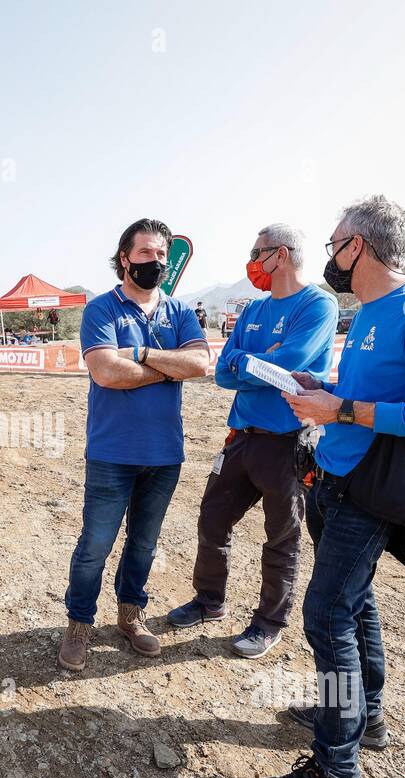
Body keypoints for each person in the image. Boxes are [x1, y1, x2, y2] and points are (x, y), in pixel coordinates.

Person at [254, 196, 405, 778]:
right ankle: (365, 716)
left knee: (326, 615)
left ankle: (337, 772)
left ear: (360, 245)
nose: (328, 255)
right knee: (355, 603)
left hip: (375, 487)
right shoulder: (371, 309)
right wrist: (325, 391)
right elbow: (372, 391)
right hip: (336, 475)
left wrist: (344, 411)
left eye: (334, 243)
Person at [166, 224, 337, 659]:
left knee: (282, 536)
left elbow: (292, 365)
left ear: (279, 254)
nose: (252, 261)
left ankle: (268, 623)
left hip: (287, 443)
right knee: (212, 518)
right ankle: (210, 601)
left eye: (256, 252)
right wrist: (257, 361)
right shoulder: (254, 309)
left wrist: (251, 361)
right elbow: (224, 371)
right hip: (241, 437)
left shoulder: (318, 304)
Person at [59, 218, 213, 671]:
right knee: (95, 545)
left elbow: (201, 364)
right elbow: (106, 372)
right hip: (112, 452)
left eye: (162, 254)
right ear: (124, 258)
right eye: (146, 253)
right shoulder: (101, 310)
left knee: (143, 545)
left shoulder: (180, 312)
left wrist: (142, 356)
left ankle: (131, 616)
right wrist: (169, 369)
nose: (156, 261)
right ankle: (79, 626)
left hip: (164, 454)